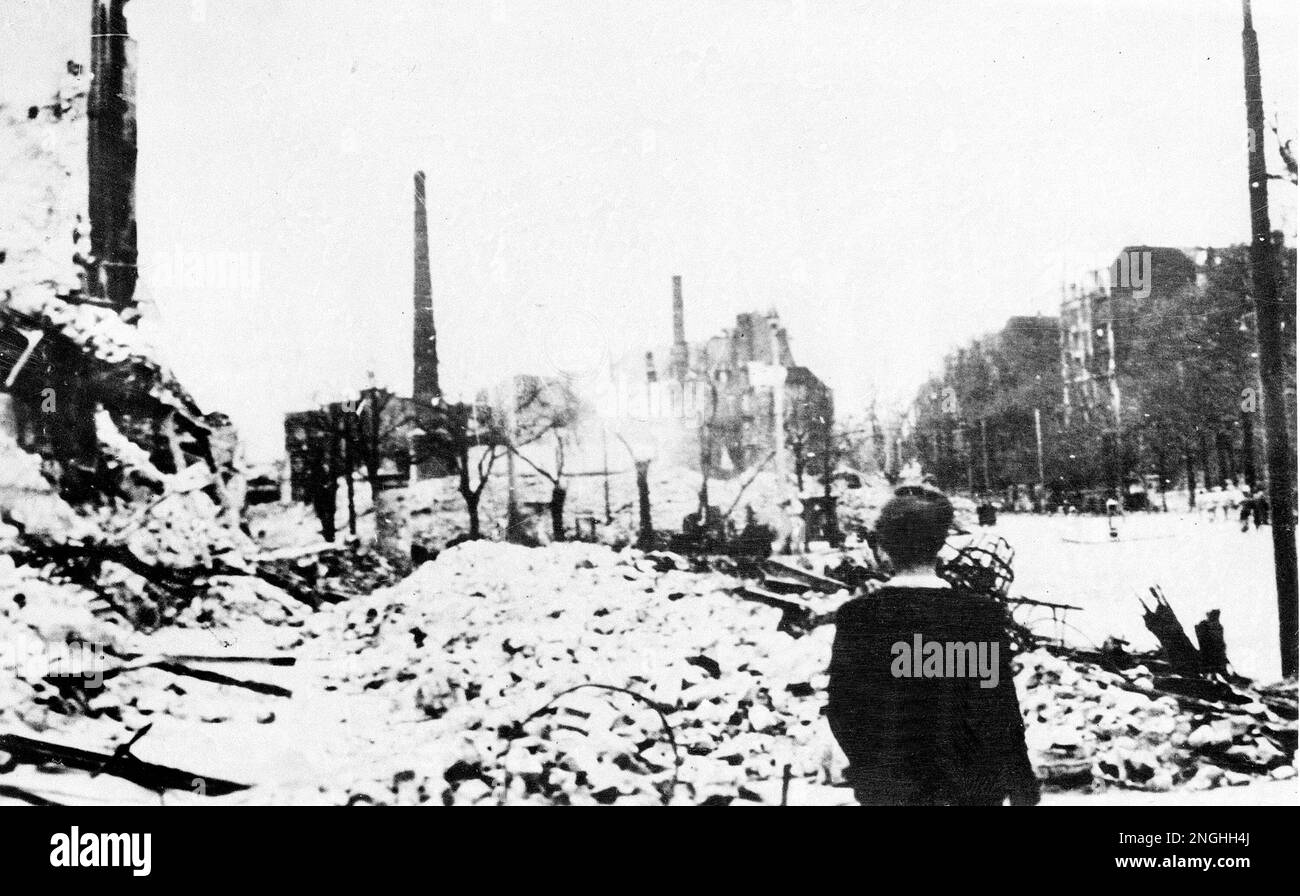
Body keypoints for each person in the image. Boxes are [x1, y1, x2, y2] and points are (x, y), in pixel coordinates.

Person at [827, 487, 1039, 806]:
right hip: (973, 792)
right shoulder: (980, 615)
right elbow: (999, 707)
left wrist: (872, 775)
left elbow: (844, 710)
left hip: (894, 792)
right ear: (940, 544)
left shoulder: (860, 617)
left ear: (883, 547)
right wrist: (1021, 783)